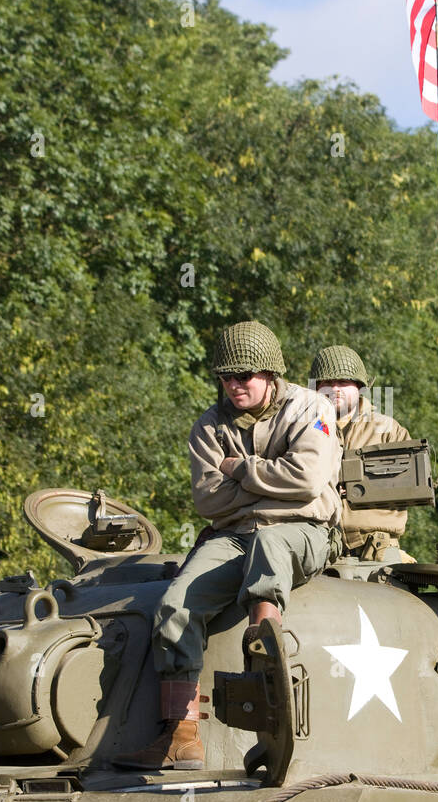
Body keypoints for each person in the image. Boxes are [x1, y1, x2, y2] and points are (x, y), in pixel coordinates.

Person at [117, 321, 341, 770]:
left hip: (305, 530)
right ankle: (180, 737)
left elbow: (309, 480)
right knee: (175, 606)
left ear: (270, 374)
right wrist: (272, 480)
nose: (234, 385)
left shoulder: (312, 409)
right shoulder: (208, 426)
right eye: (226, 377)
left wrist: (240, 470)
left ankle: (264, 667)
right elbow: (208, 498)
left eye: (245, 376)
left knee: (271, 547)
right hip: (233, 535)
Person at [310, 344, 412, 562]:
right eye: (327, 383)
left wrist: (357, 485)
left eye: (343, 382)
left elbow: (409, 484)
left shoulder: (388, 430)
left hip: (377, 546)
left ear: (360, 387)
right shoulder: (301, 429)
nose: (334, 389)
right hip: (315, 544)